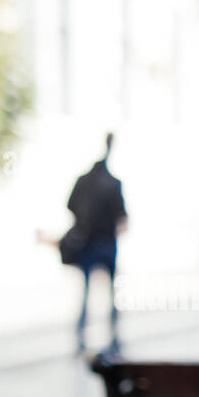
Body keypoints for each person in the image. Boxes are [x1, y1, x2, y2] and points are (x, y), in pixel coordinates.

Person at [67, 133, 127, 354]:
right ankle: (113, 336)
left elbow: (70, 205)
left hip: (88, 241)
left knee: (86, 291)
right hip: (105, 242)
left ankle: (81, 337)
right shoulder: (113, 183)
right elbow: (122, 216)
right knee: (111, 292)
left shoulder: (83, 181)